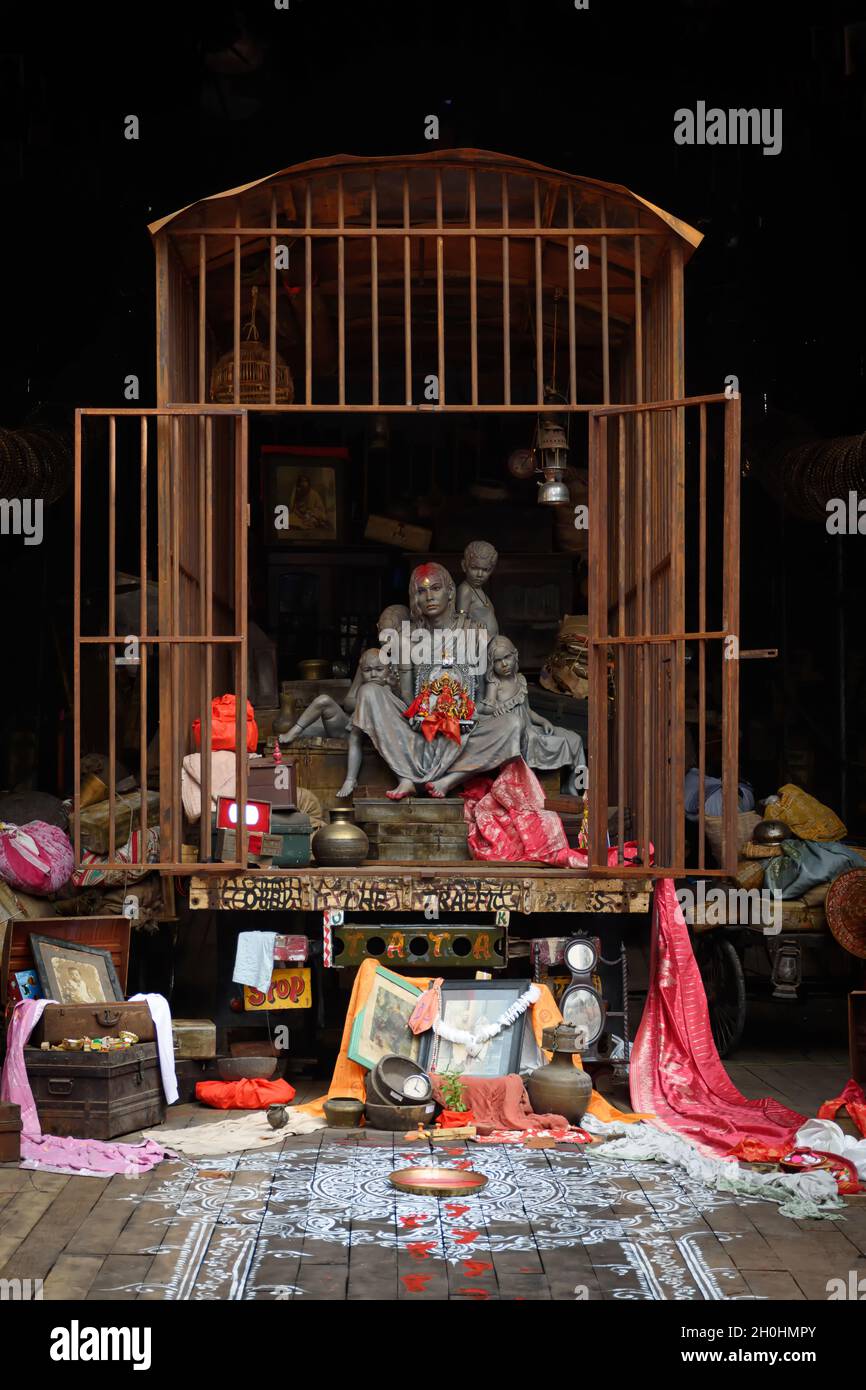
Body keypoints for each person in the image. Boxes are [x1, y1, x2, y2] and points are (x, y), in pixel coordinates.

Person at [351, 562, 523, 799]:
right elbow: (407, 696)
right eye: (421, 591)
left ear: (450, 592)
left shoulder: (475, 633)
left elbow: (484, 693)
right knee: (369, 692)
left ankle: (450, 780)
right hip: (419, 726)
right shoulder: (406, 638)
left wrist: (464, 715)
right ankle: (405, 777)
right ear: (415, 597)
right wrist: (421, 716)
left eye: (436, 588)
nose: (429, 596)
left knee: (511, 724)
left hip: (464, 726)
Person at [479, 635, 587, 796]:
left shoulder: (521, 680)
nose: (504, 664)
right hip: (517, 733)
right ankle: (529, 787)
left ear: (515, 655)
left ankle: (577, 786)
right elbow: (487, 707)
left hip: (531, 725)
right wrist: (494, 709)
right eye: (497, 660)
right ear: (491, 664)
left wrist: (543, 721)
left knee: (574, 739)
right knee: (534, 740)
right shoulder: (495, 684)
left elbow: (527, 711)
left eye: (507, 657)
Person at [456, 539, 499, 637]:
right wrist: (473, 625)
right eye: (474, 568)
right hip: (477, 645)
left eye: (485, 570)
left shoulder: (480, 591)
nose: (480, 574)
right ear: (464, 566)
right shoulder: (466, 590)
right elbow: (460, 622)